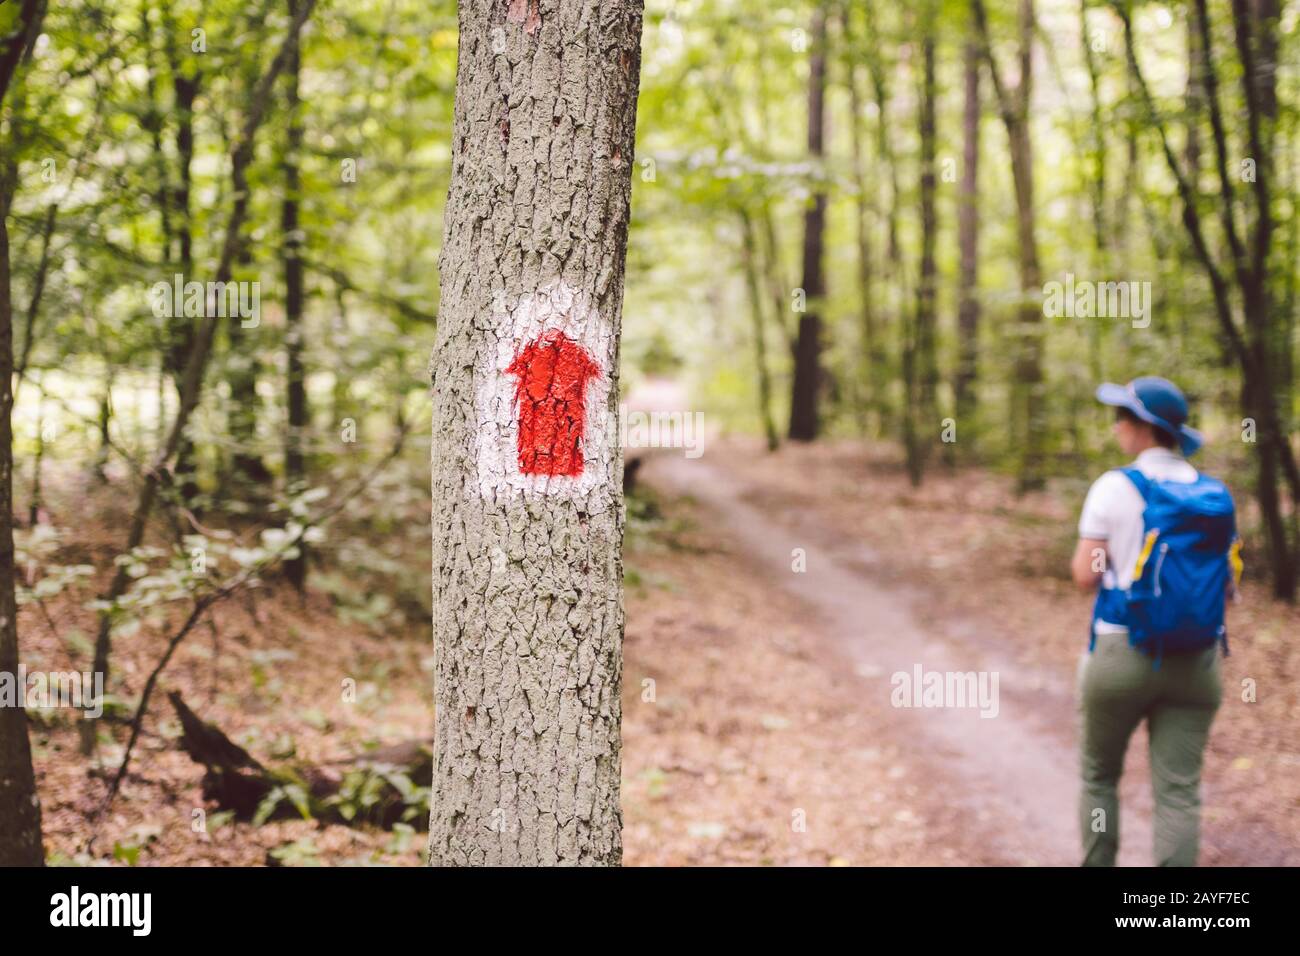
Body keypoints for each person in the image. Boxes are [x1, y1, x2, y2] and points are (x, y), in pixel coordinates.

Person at [1070, 376, 1237, 866]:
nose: (1117, 425)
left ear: (1143, 428)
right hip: (1197, 660)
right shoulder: (1214, 497)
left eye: (1122, 416)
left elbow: (1085, 575)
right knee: (1179, 794)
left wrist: (1110, 562)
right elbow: (1223, 584)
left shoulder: (1114, 487)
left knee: (1100, 778)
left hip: (1122, 651)